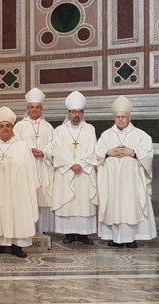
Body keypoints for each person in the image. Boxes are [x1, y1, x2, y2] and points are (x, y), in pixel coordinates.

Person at [96, 96, 157, 247]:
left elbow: (148, 154)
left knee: (131, 206)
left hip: (132, 182)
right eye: (118, 117)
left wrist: (133, 153)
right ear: (114, 117)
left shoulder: (141, 135)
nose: (120, 120)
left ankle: (131, 238)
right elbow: (97, 154)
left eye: (123, 116)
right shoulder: (106, 135)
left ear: (129, 117)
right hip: (112, 180)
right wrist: (108, 152)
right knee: (113, 205)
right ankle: (114, 237)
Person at [0, 107, 39, 258]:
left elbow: (30, 171)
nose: (5, 128)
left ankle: (17, 246)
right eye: (1, 126)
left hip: (18, 191)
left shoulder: (22, 146)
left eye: (8, 125)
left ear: (13, 127)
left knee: (18, 215)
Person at [50, 91, 98, 245]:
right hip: (67, 171)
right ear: (68, 113)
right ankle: (69, 234)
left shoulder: (90, 129)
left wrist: (81, 165)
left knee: (83, 201)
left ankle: (84, 235)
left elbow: (92, 149)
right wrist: (71, 164)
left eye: (79, 112)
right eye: (73, 112)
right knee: (69, 202)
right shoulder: (59, 131)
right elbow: (57, 150)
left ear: (83, 113)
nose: (76, 114)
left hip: (84, 172)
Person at [13, 87, 55, 233]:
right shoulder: (19, 126)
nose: (34, 110)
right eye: (32, 107)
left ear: (41, 109)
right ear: (27, 109)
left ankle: (42, 230)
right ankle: (26, 228)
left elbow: (53, 145)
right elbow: (15, 145)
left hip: (43, 165)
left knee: (42, 197)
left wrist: (43, 152)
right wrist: (28, 152)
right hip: (26, 167)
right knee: (28, 197)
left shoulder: (48, 126)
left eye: (37, 107)